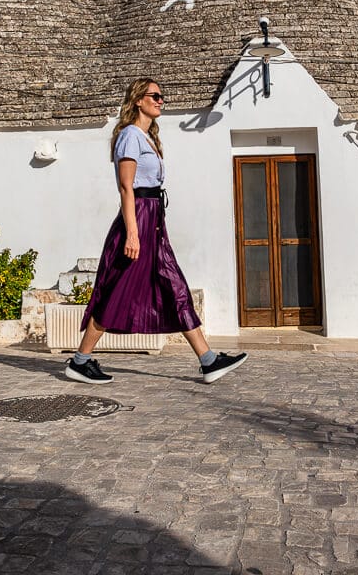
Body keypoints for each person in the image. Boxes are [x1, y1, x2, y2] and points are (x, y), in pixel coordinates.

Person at [65, 78, 247, 385]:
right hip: (138, 220)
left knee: (176, 287)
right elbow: (126, 188)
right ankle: (80, 362)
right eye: (155, 96)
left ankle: (208, 361)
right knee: (115, 291)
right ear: (138, 100)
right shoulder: (129, 136)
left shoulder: (148, 138)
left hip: (154, 222)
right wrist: (132, 234)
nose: (161, 101)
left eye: (162, 96)